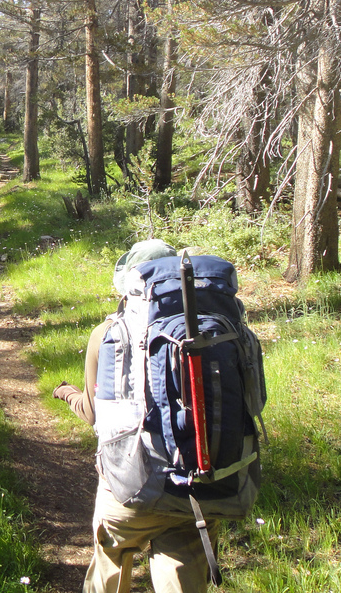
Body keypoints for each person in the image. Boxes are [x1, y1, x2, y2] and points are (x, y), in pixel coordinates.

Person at [53, 239, 217, 593]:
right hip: (197, 487)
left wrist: (65, 392)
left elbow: (93, 414)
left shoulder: (108, 333)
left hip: (128, 486)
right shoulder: (206, 328)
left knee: (111, 561)